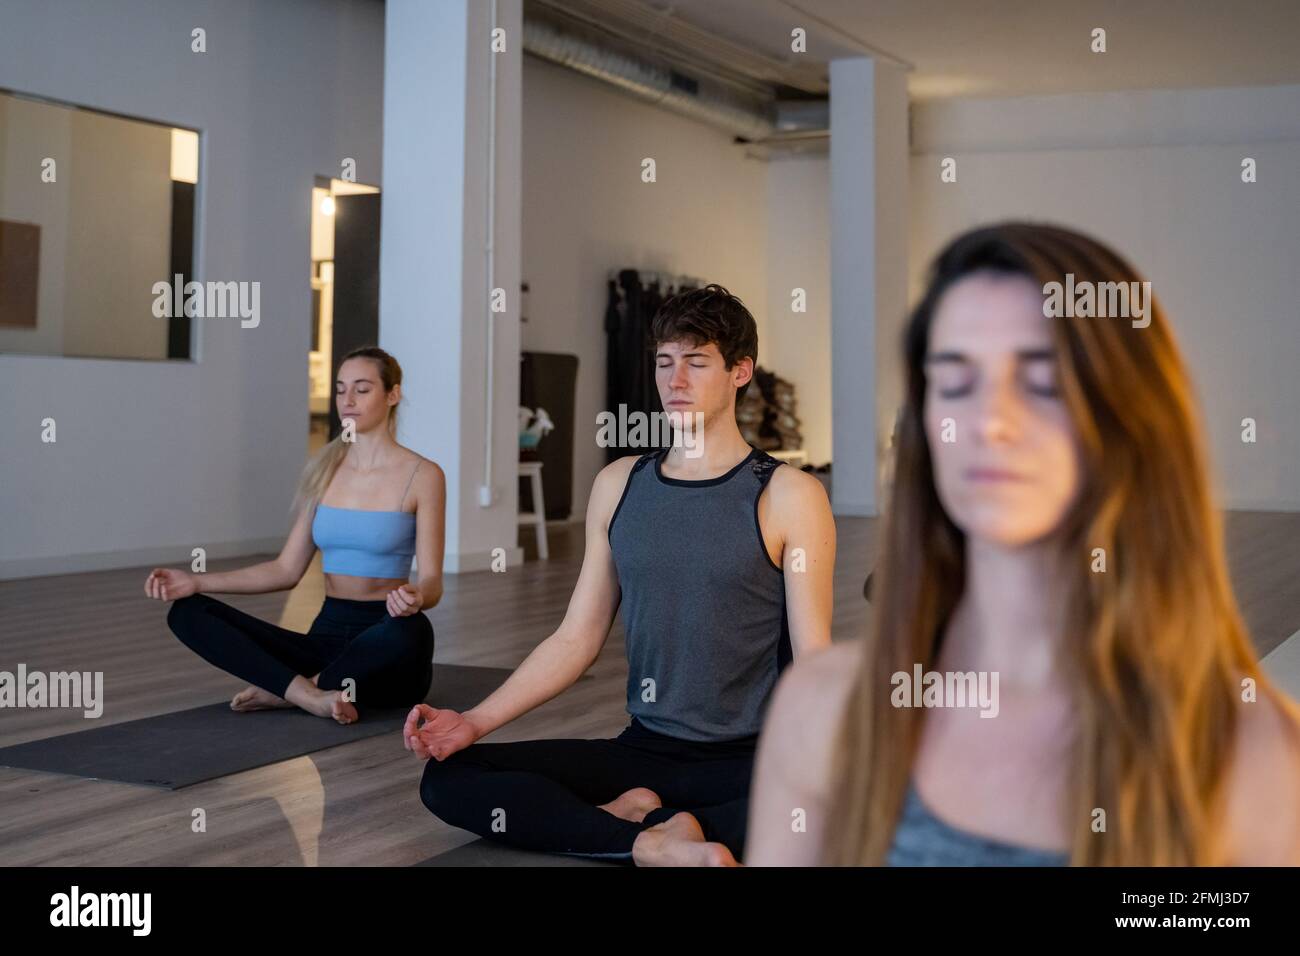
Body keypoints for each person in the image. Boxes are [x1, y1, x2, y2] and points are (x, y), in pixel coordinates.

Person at [746, 222, 1300, 866]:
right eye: (955, 383)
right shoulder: (823, 711)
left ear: (1129, 422)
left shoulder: (1248, 753)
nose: (991, 421)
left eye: (1042, 383)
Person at [408, 284, 835, 865]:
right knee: (447, 777)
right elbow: (576, 638)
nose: (674, 380)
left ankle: (640, 818)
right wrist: (473, 722)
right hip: (643, 750)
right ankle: (654, 837)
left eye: (696, 362)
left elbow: (814, 662)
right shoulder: (620, 484)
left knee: (828, 812)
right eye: (664, 362)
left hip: (753, 760)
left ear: (740, 371)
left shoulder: (788, 494)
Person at [147, 346, 445, 725]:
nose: (347, 400)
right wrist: (194, 581)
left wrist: (417, 595)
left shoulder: (424, 475)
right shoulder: (324, 469)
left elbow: (433, 582)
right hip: (324, 641)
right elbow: (286, 570)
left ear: (392, 394)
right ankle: (307, 693)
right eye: (340, 389)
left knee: (412, 630)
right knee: (188, 613)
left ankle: (288, 690)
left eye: (362, 389)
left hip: (387, 647)